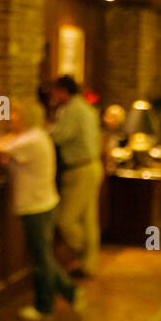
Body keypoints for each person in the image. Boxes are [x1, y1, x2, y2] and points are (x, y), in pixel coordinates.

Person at [0, 97, 86, 321]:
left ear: (26, 118)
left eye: (15, 113)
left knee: (41, 259)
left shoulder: (31, 140)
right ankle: (68, 292)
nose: (10, 117)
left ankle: (46, 306)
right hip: (41, 203)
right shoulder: (34, 136)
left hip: (37, 207)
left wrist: (3, 142)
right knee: (43, 256)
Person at [48, 75, 103, 277]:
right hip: (92, 166)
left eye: (54, 91)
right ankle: (89, 264)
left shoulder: (72, 109)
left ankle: (83, 252)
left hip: (80, 169)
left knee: (66, 220)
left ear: (63, 91)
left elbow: (60, 136)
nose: (53, 96)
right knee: (88, 219)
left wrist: (42, 132)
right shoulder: (85, 108)